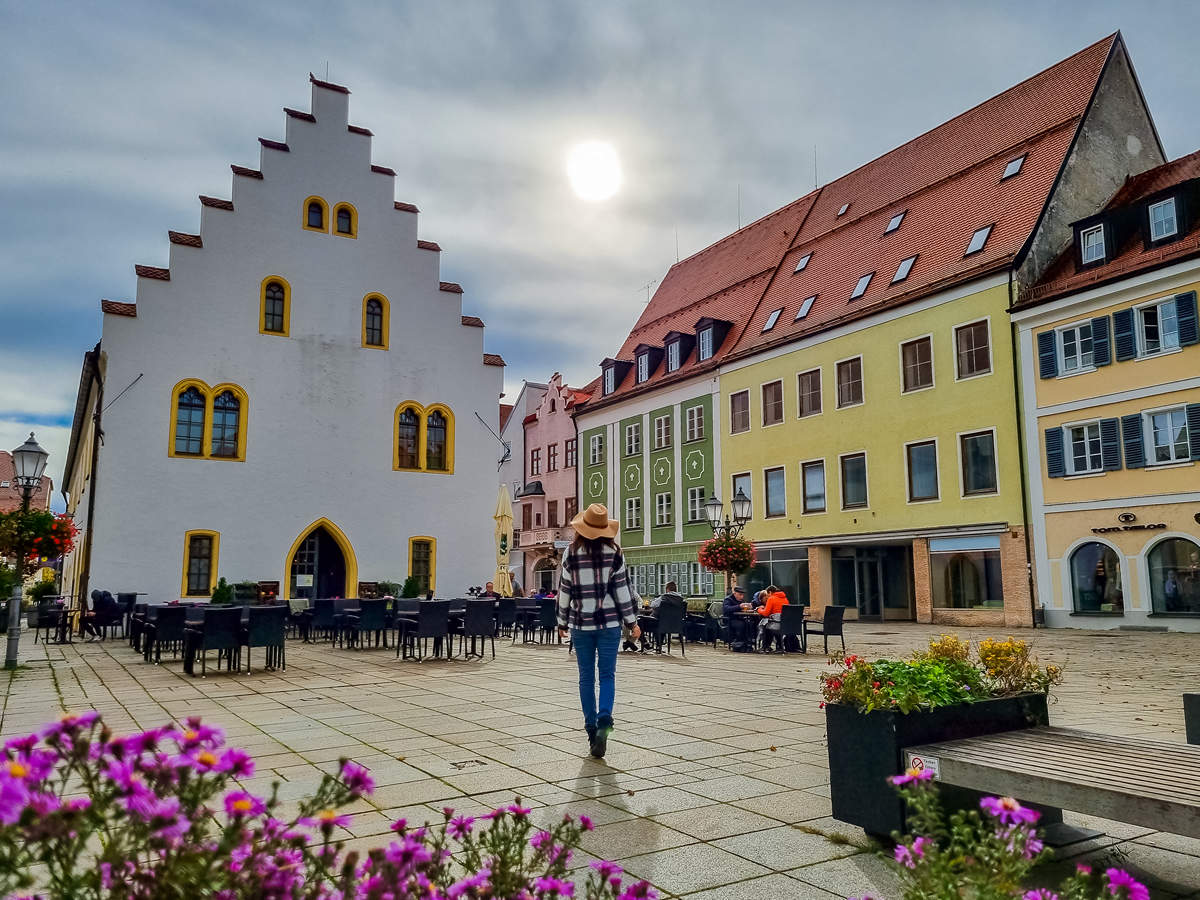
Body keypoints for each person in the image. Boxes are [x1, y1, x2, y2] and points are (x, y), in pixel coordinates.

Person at [557, 504, 640, 759]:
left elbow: (565, 591)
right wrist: (632, 622)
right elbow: (622, 591)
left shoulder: (571, 553)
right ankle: (605, 717)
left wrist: (561, 622)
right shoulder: (614, 553)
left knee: (585, 678)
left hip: (581, 625)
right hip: (610, 625)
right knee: (607, 675)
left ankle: (592, 730)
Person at [639, 581, 682, 652]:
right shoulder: (681, 599)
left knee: (639, 620)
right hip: (674, 624)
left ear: (667, 589)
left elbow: (653, 604)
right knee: (663, 620)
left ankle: (645, 644)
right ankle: (659, 646)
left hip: (658, 622)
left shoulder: (664, 597)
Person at [756, 585, 789, 652]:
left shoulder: (771, 598)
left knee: (765, 625)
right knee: (772, 624)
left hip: (776, 624)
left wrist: (759, 609)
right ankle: (779, 646)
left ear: (770, 592)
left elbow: (765, 613)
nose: (767, 597)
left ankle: (765, 647)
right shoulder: (785, 599)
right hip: (784, 624)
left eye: (767, 594)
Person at [722, 585, 752, 651]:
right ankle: (738, 643)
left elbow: (742, 609)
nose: (742, 597)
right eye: (740, 595)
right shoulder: (728, 599)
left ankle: (748, 644)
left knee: (750, 624)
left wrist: (749, 607)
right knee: (741, 625)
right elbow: (726, 609)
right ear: (735, 593)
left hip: (740, 618)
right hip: (730, 619)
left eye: (742, 595)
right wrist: (739, 606)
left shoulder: (741, 600)